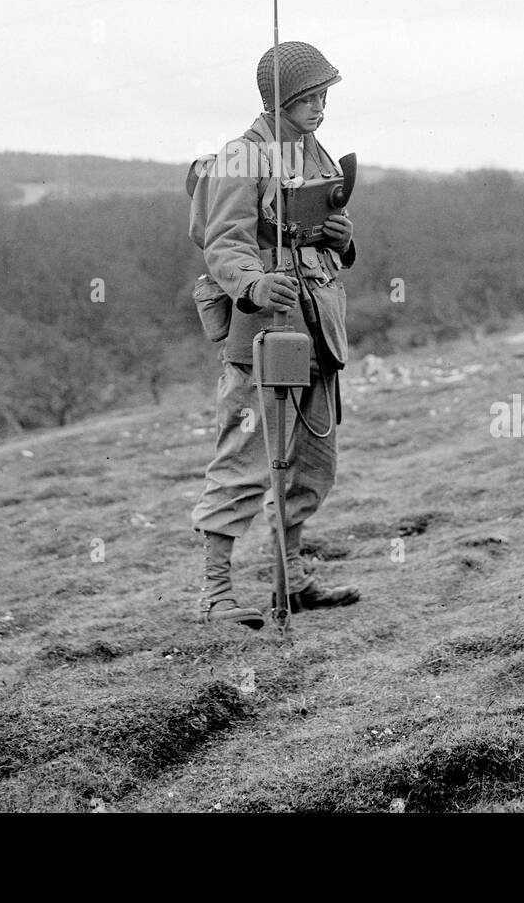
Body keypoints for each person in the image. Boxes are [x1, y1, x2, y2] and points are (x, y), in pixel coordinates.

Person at [191, 41, 360, 627]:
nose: (319, 109)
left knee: (312, 462)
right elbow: (225, 242)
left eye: (323, 98)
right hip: (264, 331)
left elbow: (326, 223)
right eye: (309, 99)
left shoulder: (316, 151)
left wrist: (341, 236)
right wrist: (256, 285)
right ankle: (216, 595)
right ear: (280, 99)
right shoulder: (243, 155)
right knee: (244, 456)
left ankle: (290, 580)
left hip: (317, 326)